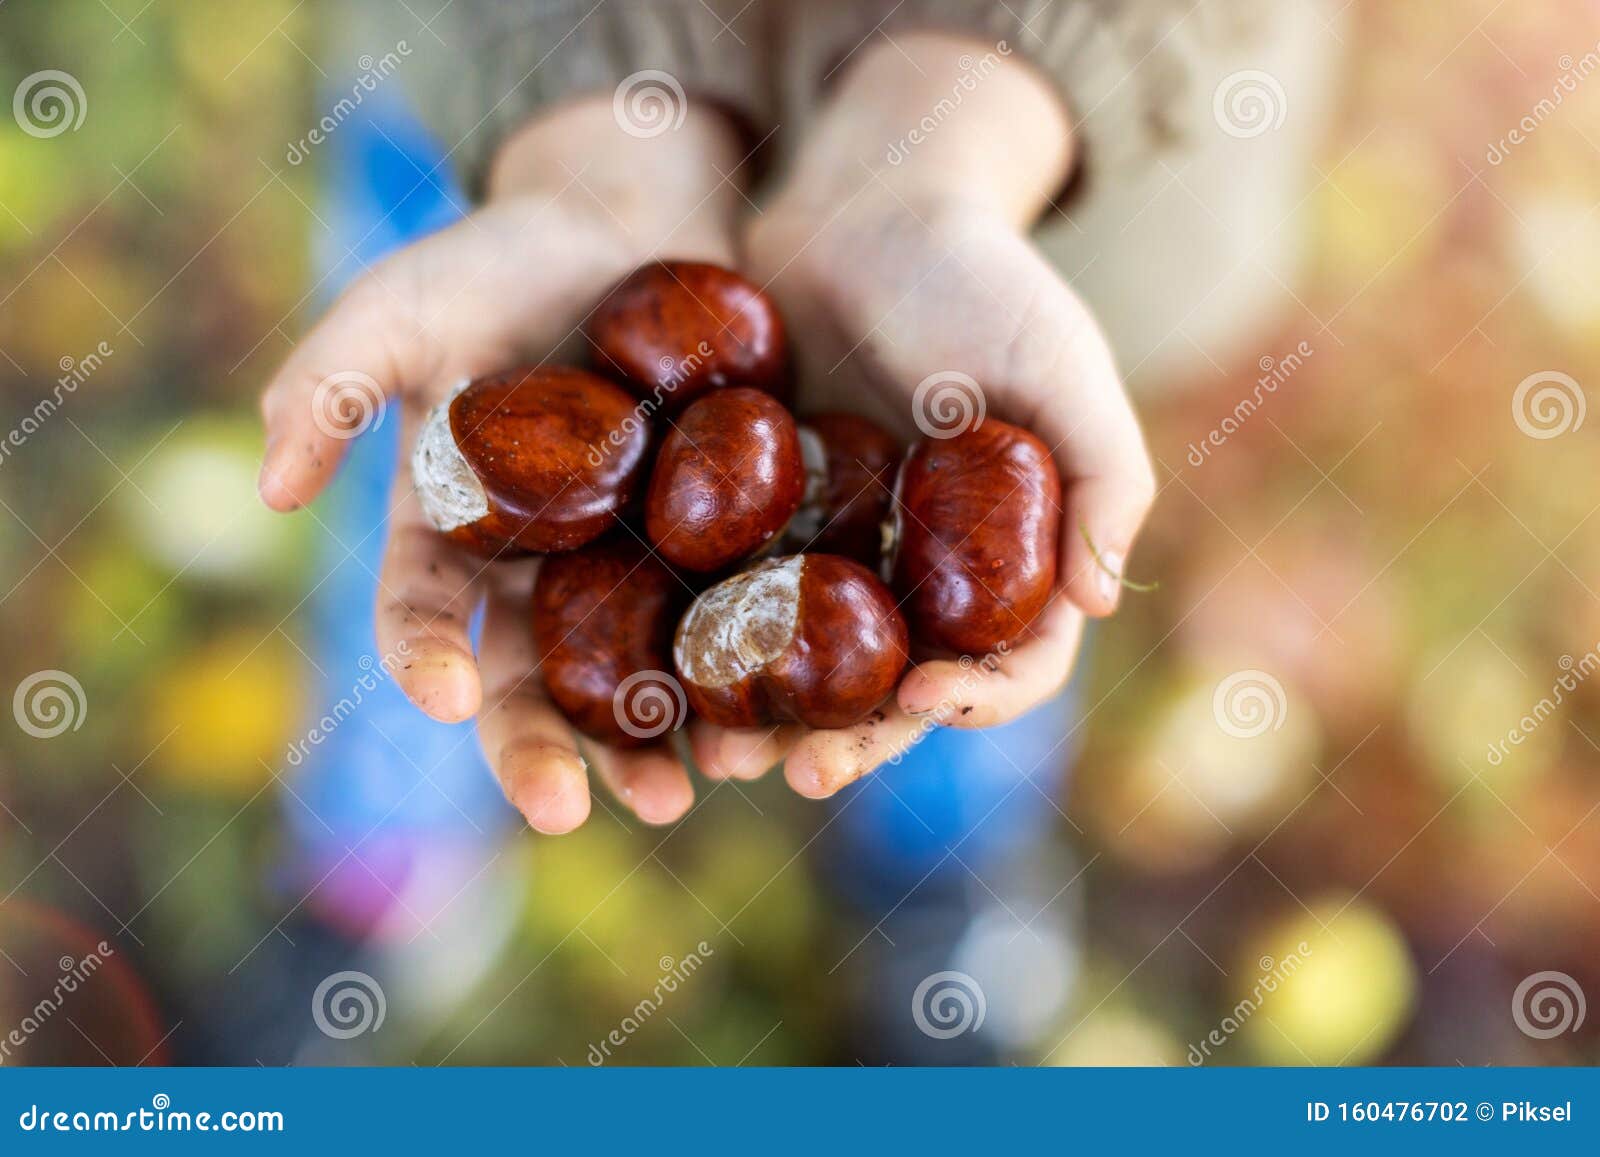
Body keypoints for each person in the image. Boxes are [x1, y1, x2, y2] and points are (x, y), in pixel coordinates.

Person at [258, 0, 1333, 1061]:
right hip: (506, 90)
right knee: (428, 572)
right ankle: (382, 851)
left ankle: (943, 870)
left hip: (1045, 153)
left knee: (967, 625)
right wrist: (589, 120)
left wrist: (957, 132)